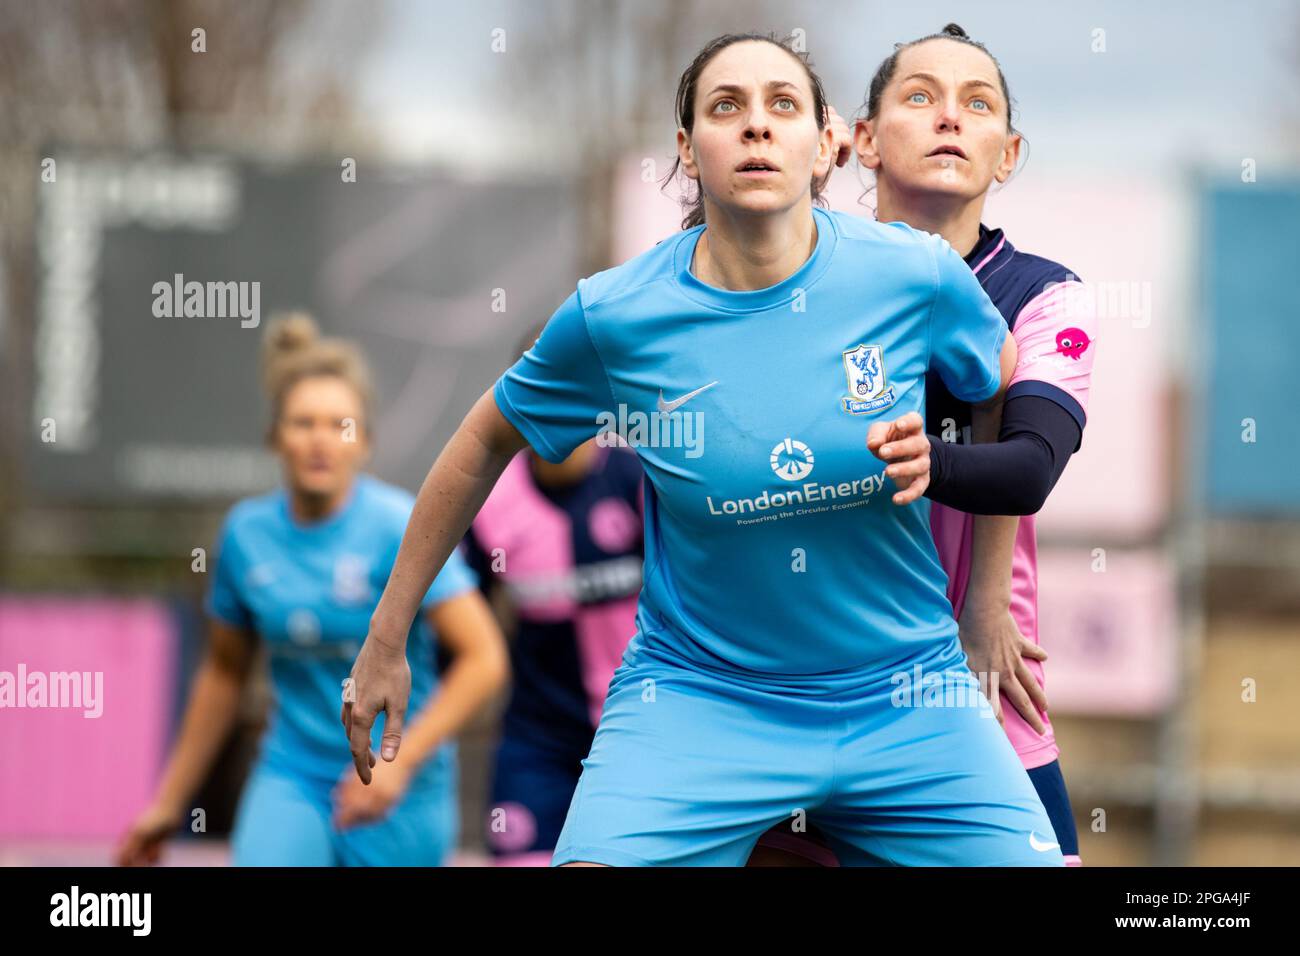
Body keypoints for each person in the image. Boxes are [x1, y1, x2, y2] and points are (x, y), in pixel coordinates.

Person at [343, 32, 1064, 866]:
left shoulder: (915, 274)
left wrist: (984, 604)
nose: (756, 126)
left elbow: (994, 388)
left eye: (781, 105)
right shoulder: (616, 315)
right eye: (727, 107)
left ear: (825, 143)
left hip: (906, 693)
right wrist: (386, 637)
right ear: (687, 148)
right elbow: (480, 442)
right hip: (698, 698)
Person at [753, 23, 1096, 867]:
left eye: (977, 105)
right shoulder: (793, 282)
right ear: (861, 139)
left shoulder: (1044, 297)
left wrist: (982, 602)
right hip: (796, 687)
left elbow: (1026, 468)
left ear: (1007, 153)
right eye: (920, 97)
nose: (950, 117)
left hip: (981, 675)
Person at [117, 314, 507, 866]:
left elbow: (484, 659)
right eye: (303, 423)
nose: (321, 439)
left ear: (365, 441)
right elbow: (224, 673)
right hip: (291, 773)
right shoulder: (246, 535)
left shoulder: (402, 527)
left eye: (339, 425)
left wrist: (402, 761)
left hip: (398, 778)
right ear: (275, 436)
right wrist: (168, 802)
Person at [468, 328, 645, 865]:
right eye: (546, 387)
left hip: (637, 732)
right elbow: (454, 634)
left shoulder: (641, 480)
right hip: (535, 740)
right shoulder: (490, 506)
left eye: (579, 387)